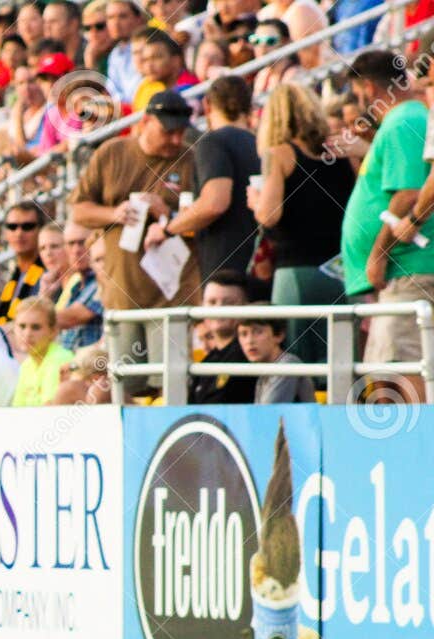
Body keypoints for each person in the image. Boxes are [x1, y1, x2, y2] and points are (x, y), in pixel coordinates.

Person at [69, 89, 200, 385]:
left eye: (181, 133)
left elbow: (204, 217)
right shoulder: (112, 153)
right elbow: (79, 210)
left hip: (170, 295)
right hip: (122, 292)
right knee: (127, 385)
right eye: (168, 132)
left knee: (169, 383)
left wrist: (167, 216)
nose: (176, 141)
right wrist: (114, 213)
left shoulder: (190, 159)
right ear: (146, 122)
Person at [348, 52, 434, 403]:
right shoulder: (405, 120)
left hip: (407, 272)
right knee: (388, 379)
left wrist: (378, 253)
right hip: (403, 276)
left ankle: (416, 454)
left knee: (398, 380)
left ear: (367, 88)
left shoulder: (403, 120)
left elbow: (409, 192)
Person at [250, 84, 352, 369]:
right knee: (339, 364)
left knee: (298, 365)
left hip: (297, 273)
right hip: (339, 271)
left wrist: (256, 201)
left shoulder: (280, 153)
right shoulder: (342, 152)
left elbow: (269, 215)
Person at [159, 75, 260, 281]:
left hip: (224, 269)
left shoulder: (213, 142)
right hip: (257, 263)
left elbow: (214, 203)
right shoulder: (260, 144)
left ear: (207, 105)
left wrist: (168, 229)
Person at [190, 271, 252, 404]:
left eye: (228, 303)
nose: (218, 309)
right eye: (212, 302)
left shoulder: (251, 355)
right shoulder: (206, 362)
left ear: (246, 307)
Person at [11, 298, 75, 405]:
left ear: (53, 331)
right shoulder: (26, 366)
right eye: (22, 326)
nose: (27, 334)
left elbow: (48, 411)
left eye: (36, 327)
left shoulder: (61, 359)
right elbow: (17, 411)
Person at [0, 201, 48, 324]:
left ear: (41, 229)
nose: (19, 233)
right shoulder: (12, 276)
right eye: (12, 227)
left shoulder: (49, 273)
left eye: (27, 226)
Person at [237, 316, 314, 403]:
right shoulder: (266, 370)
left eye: (258, 332)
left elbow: (268, 413)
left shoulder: (287, 366)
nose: (250, 341)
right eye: (243, 334)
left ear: (279, 335)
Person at [55, 222, 104, 349]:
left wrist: (29, 319)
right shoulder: (75, 285)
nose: (76, 250)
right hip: (70, 363)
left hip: (91, 365)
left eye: (82, 242)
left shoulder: (101, 280)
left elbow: (72, 317)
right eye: (71, 244)